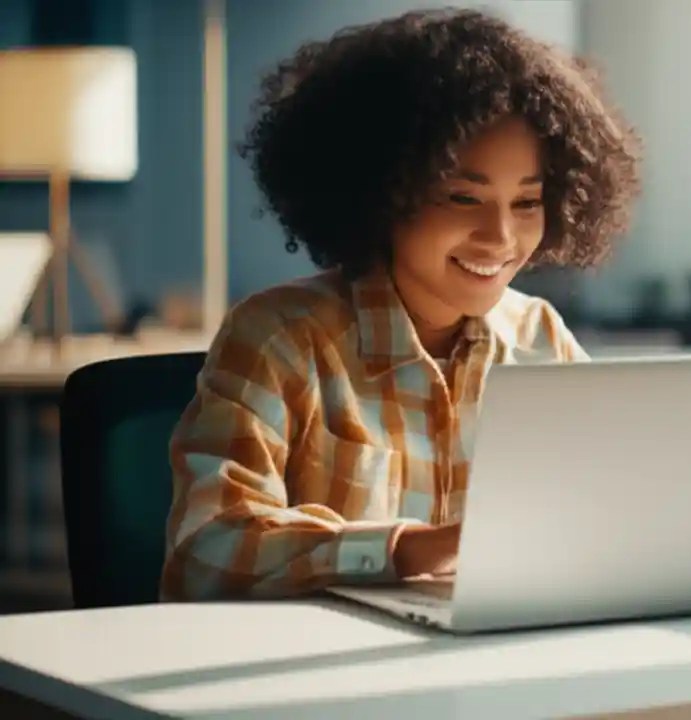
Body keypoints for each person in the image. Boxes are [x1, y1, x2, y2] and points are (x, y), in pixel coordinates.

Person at [161, 8, 642, 600]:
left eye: (526, 203)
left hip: (493, 659)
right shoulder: (281, 338)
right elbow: (206, 550)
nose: (500, 237)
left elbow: (606, 521)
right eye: (463, 198)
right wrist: (406, 549)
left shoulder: (540, 338)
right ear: (385, 192)